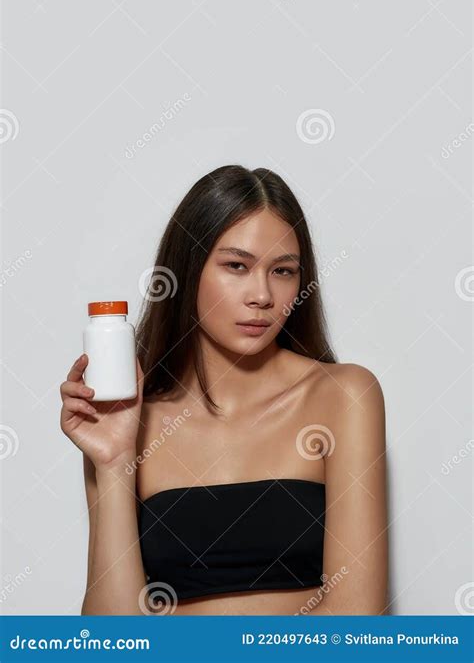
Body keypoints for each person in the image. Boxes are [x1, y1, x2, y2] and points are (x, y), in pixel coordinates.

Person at [60, 164, 388, 616]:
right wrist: (115, 463)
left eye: (283, 271)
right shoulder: (129, 419)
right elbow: (112, 641)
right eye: (236, 265)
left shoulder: (343, 395)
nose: (262, 295)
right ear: (188, 270)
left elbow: (356, 622)